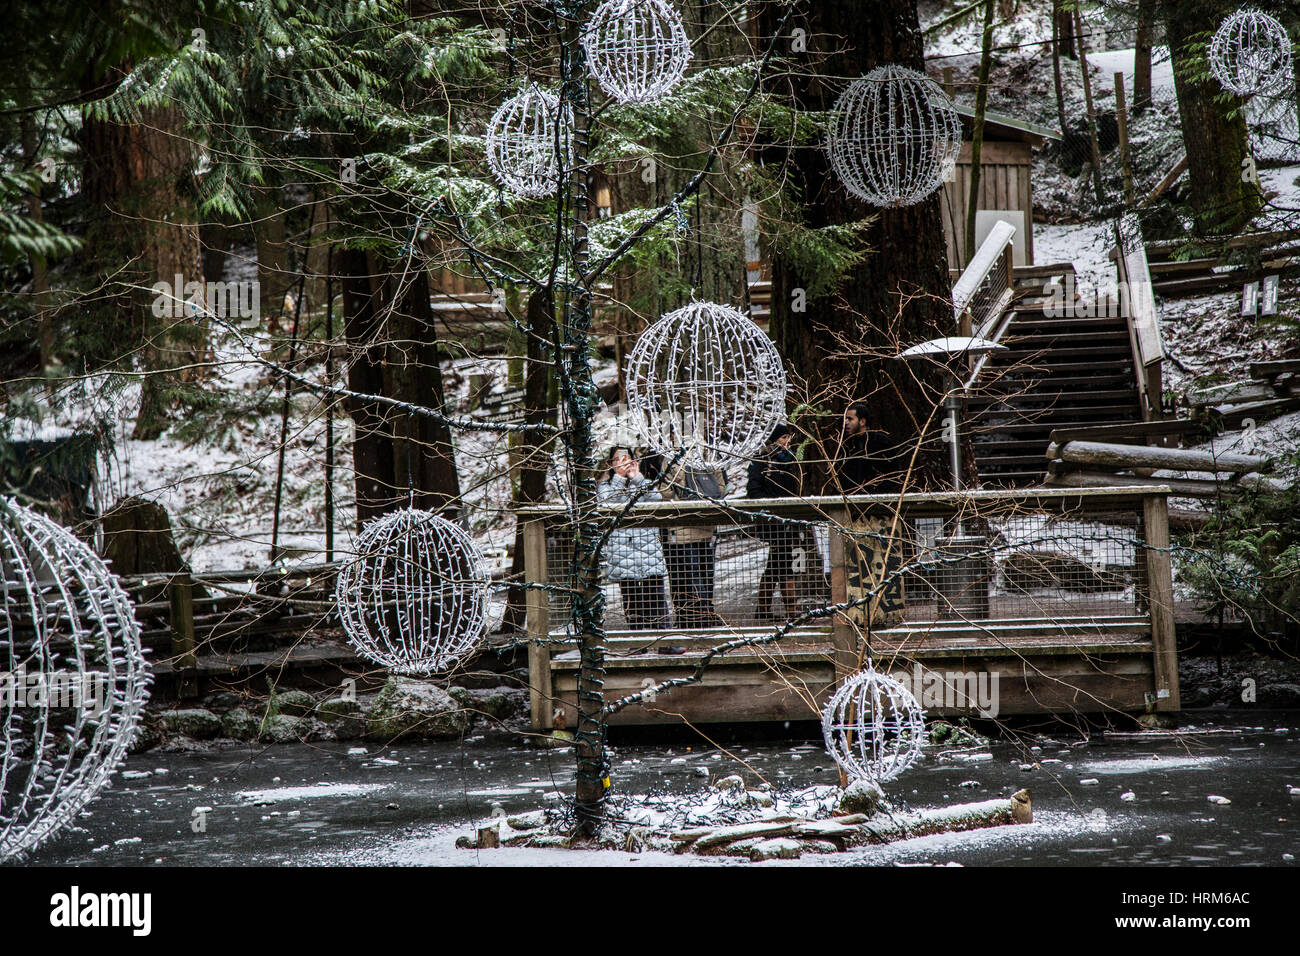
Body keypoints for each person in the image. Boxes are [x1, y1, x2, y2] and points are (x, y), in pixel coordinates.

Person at [597, 446, 670, 629]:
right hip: (623, 553)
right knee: (632, 601)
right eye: (618, 459)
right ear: (611, 464)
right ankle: (637, 642)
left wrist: (637, 478)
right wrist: (620, 478)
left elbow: (656, 499)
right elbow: (608, 505)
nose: (623, 462)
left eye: (626, 458)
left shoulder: (643, 482)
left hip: (648, 549)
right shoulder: (606, 486)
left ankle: (666, 641)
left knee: (657, 598)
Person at [746, 423, 801, 623]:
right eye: (783, 438)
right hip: (772, 522)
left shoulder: (792, 461)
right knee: (783, 566)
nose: (786, 442)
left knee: (777, 566)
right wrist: (768, 508)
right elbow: (753, 488)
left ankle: (765, 608)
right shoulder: (762, 460)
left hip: (789, 520)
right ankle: (791, 610)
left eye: (788, 438)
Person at [660, 463, 727, 628]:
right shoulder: (709, 455)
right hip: (707, 523)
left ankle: (693, 617)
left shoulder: (672, 457)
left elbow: (666, 491)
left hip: (681, 525)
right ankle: (706, 613)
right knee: (705, 573)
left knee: (687, 575)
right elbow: (721, 489)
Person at [837, 401, 894, 493]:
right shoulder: (846, 444)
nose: (845, 422)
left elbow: (892, 471)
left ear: (862, 421)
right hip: (850, 498)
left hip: (877, 497)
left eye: (850, 419)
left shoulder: (880, 441)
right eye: (845, 419)